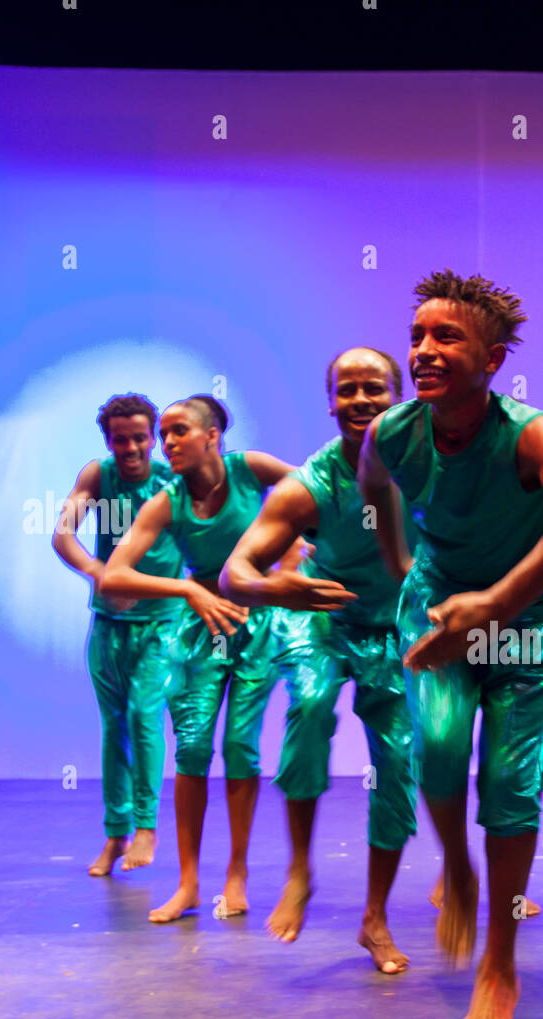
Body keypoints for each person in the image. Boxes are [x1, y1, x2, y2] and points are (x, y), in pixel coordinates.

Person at [358, 269, 543, 1019]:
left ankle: (499, 961)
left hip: (522, 626)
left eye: (447, 338)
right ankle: (457, 872)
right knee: (434, 753)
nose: (424, 351)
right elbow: (376, 494)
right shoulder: (392, 433)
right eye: (418, 336)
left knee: (508, 784)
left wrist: (498, 602)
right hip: (439, 612)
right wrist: (405, 570)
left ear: (493, 358)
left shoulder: (530, 431)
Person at [221, 347, 419, 969]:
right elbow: (235, 572)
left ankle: (375, 916)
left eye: (375, 389)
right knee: (308, 704)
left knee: (400, 761)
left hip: (397, 630)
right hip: (321, 618)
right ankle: (301, 868)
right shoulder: (308, 485)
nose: (361, 401)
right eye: (348, 390)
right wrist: (278, 587)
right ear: (330, 402)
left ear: (401, 395)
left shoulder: (432, 466)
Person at [101, 395, 294, 920]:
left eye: (178, 431)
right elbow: (115, 574)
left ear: (212, 435)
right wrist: (187, 591)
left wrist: (292, 558)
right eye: (164, 434)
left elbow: (316, 493)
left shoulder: (249, 469)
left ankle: (237, 874)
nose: (167, 443)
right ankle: (187, 883)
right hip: (202, 626)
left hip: (256, 624)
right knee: (190, 749)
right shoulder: (168, 499)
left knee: (239, 747)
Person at [52, 393, 183, 876]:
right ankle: (116, 834)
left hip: (162, 622)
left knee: (144, 715)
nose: (130, 448)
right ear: (108, 440)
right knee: (115, 728)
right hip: (108, 624)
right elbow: (63, 533)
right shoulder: (98, 475)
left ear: (154, 438)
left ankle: (147, 828)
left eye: (139, 438)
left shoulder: (173, 478)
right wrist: (97, 572)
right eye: (120, 439)